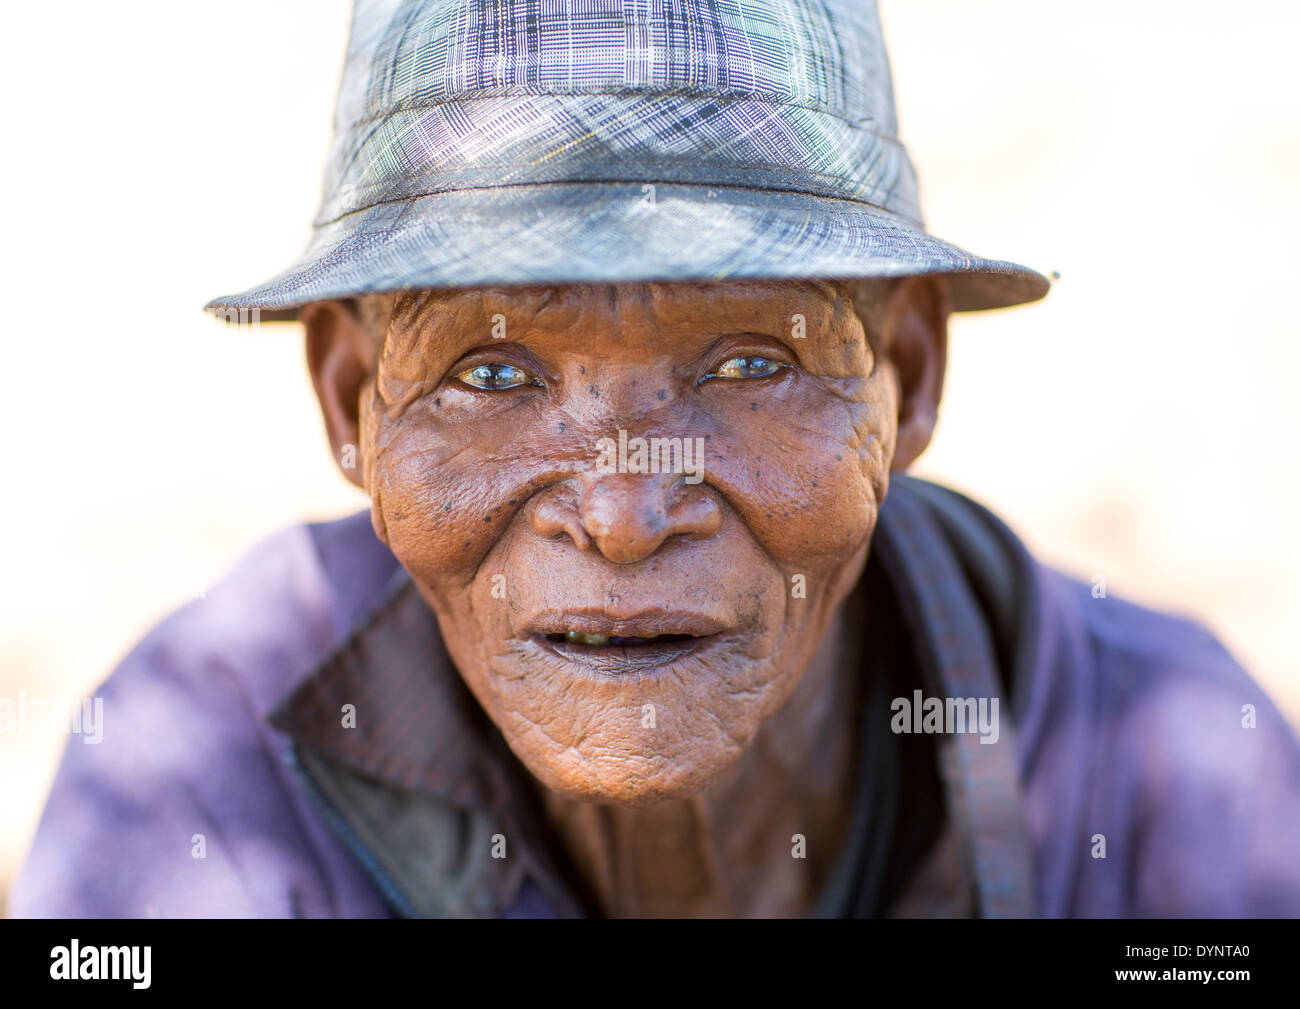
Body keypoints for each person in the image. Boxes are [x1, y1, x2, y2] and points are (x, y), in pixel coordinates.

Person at [11, 0, 1300, 918]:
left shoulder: (1176, 785)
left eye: (749, 362)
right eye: (494, 373)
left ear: (909, 376)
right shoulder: (198, 782)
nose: (624, 515)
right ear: (353, 403)